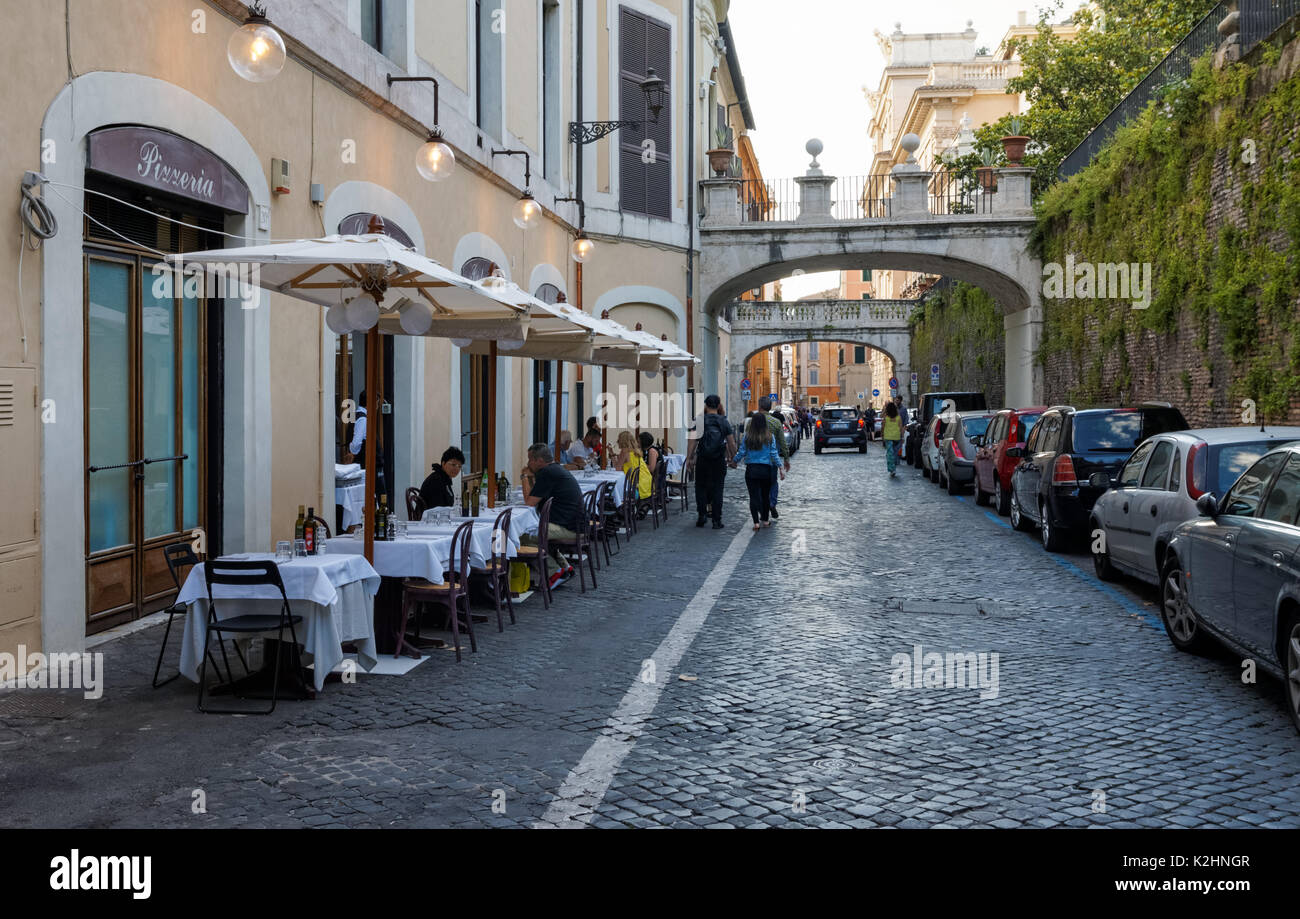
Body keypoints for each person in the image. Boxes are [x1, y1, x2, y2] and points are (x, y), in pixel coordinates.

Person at [520, 443, 581, 588]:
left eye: (531, 460)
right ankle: (564, 567)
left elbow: (529, 501)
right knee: (535, 534)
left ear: (540, 461)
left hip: (568, 527)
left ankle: (554, 571)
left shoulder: (548, 473)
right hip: (573, 523)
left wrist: (523, 476)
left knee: (521, 537)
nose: (528, 463)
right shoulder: (554, 469)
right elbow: (537, 493)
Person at [686, 394, 735, 529]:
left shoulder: (699, 420)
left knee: (700, 487)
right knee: (718, 488)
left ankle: (702, 516)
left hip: (703, 458)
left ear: (706, 405)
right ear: (718, 405)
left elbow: (692, 441)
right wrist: (733, 458)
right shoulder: (724, 421)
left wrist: (689, 458)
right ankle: (716, 520)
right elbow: (731, 442)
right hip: (718, 460)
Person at [730, 412, 784, 530]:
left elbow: (742, 452)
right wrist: (780, 467)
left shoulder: (748, 436)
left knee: (753, 496)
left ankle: (756, 523)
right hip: (766, 470)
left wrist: (734, 461)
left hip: (752, 470)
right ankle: (765, 520)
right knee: (765, 497)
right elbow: (774, 454)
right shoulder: (770, 437)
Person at [758, 396, 791, 519]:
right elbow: (782, 442)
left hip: (756, 460)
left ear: (759, 406)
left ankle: (762, 507)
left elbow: (747, 441)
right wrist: (786, 460)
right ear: (769, 407)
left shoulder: (753, 422)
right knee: (772, 484)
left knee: (759, 485)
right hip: (771, 459)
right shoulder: (776, 422)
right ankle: (772, 503)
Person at [346, 390, 385, 492]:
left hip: (365, 465)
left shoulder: (356, 416)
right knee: (377, 493)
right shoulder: (363, 419)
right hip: (368, 466)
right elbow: (356, 443)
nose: (377, 407)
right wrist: (353, 452)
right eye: (376, 403)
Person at [418, 446, 464, 512]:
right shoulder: (436, 480)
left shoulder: (445, 478)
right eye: (453, 465)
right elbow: (437, 509)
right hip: (428, 520)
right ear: (443, 463)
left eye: (459, 466)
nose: (457, 469)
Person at [614, 431, 653, 501]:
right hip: (647, 485)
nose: (617, 441)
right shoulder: (636, 451)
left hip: (636, 489)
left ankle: (619, 508)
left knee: (613, 490)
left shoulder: (624, 451)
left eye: (619, 439)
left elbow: (617, 469)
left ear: (623, 441)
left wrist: (612, 456)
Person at [882, 400, 903, 477]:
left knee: (890, 454)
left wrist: (882, 436)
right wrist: (902, 436)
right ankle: (893, 467)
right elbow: (901, 427)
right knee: (894, 453)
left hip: (888, 438)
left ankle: (892, 469)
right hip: (896, 437)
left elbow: (883, 426)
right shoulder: (898, 417)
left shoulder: (886, 417)